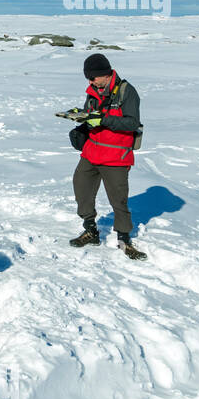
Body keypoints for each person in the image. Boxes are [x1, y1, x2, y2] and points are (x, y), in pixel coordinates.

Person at [68, 53, 148, 261]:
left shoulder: (126, 92)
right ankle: (90, 230)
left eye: (93, 77)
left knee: (118, 201)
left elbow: (132, 123)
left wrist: (104, 120)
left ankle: (124, 239)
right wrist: (81, 119)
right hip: (92, 152)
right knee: (81, 189)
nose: (90, 81)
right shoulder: (93, 91)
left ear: (104, 74)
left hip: (116, 156)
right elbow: (91, 115)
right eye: (88, 78)